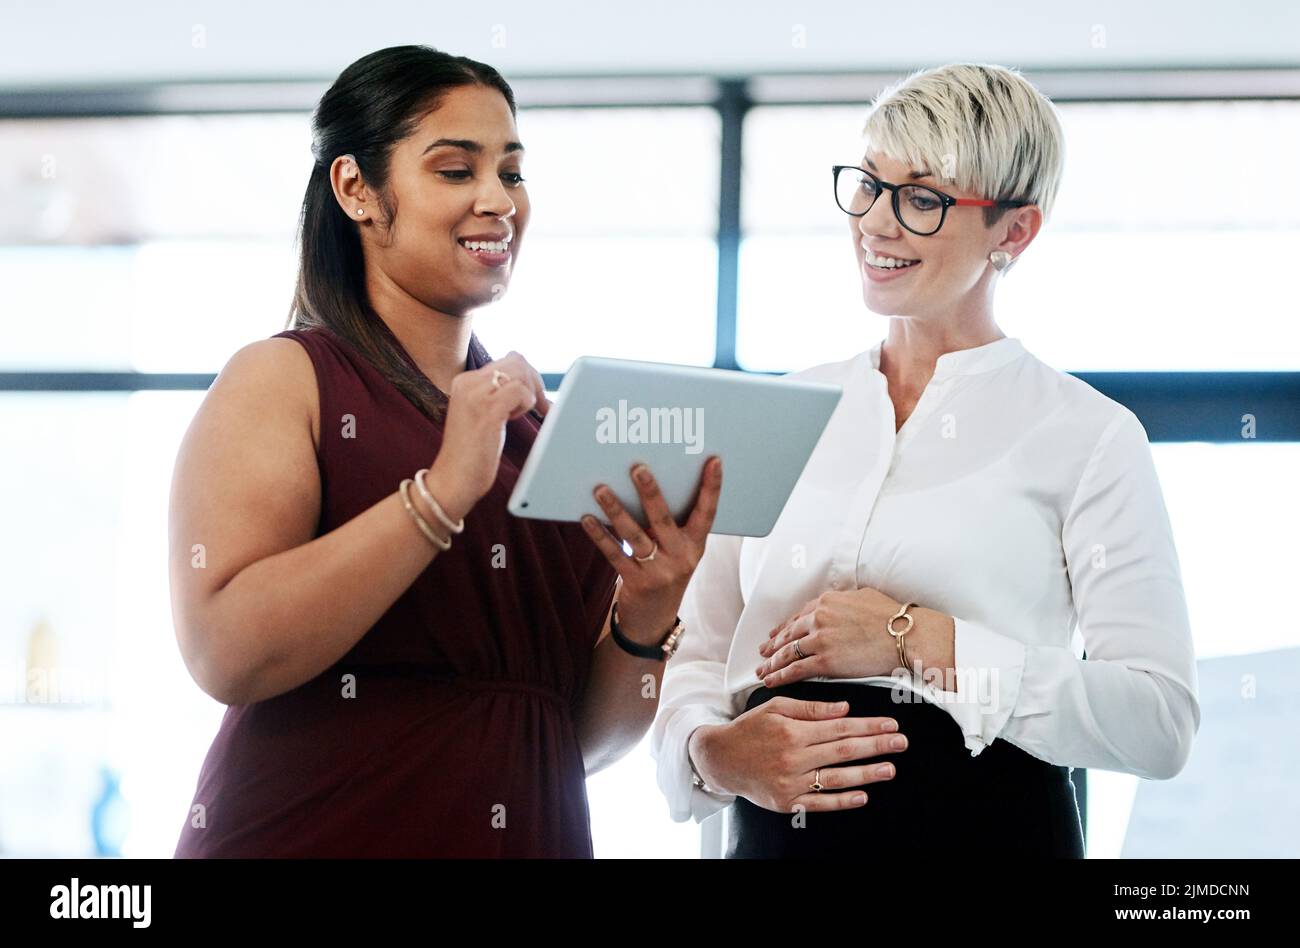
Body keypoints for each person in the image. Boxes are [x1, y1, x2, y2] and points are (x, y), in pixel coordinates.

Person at [170, 45, 720, 858]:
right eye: (456, 171)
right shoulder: (284, 379)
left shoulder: (539, 433)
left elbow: (571, 738)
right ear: (356, 189)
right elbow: (225, 654)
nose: (498, 200)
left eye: (512, 172)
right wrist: (438, 496)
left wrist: (645, 616)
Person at [651, 62, 1200, 858]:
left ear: (1013, 232)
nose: (877, 222)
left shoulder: (1088, 436)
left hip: (989, 835)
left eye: (922, 198)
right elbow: (699, 657)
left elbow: (1158, 724)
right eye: (868, 185)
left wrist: (919, 640)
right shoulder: (775, 417)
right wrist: (709, 752)